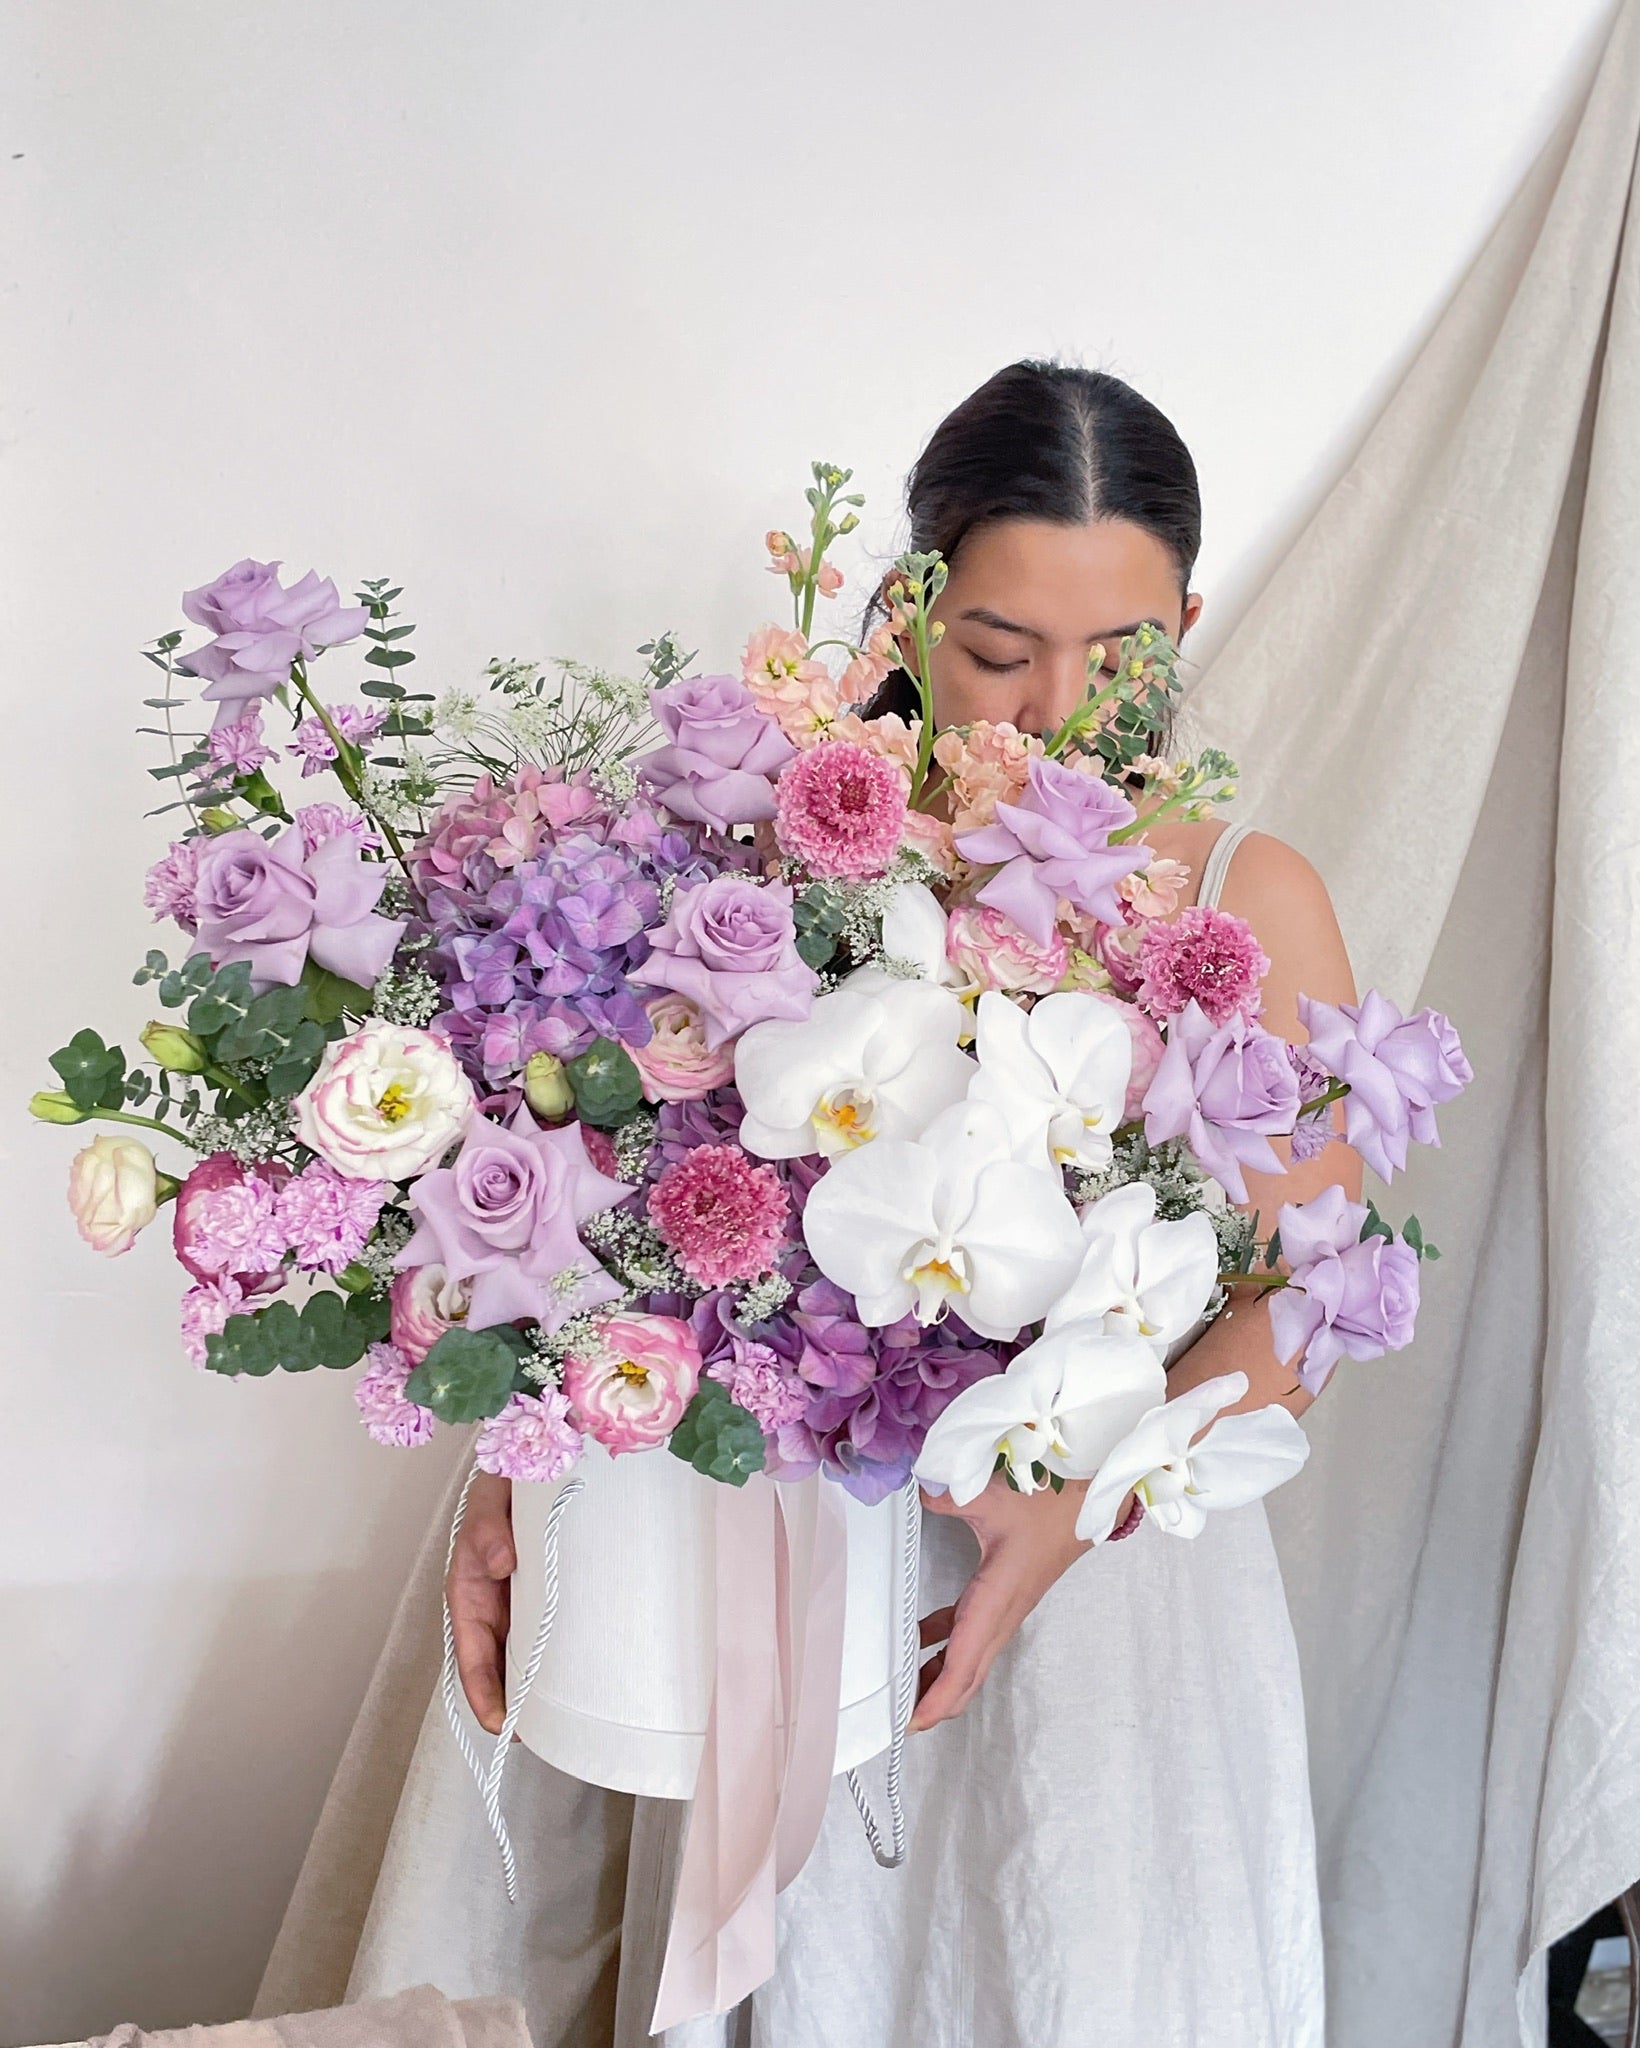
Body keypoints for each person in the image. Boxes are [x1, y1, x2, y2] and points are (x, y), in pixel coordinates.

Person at [444, 360, 1360, 2046]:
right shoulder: (772, 863)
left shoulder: (1249, 892)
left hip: (1099, 1595)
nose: (1058, 710)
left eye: (1125, 661)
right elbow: (623, 1234)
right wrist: (520, 1464)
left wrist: (1071, 1517)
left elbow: (1310, 1295)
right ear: (907, 602)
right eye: (1002, 651)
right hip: (804, 1571)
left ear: (1193, 621)